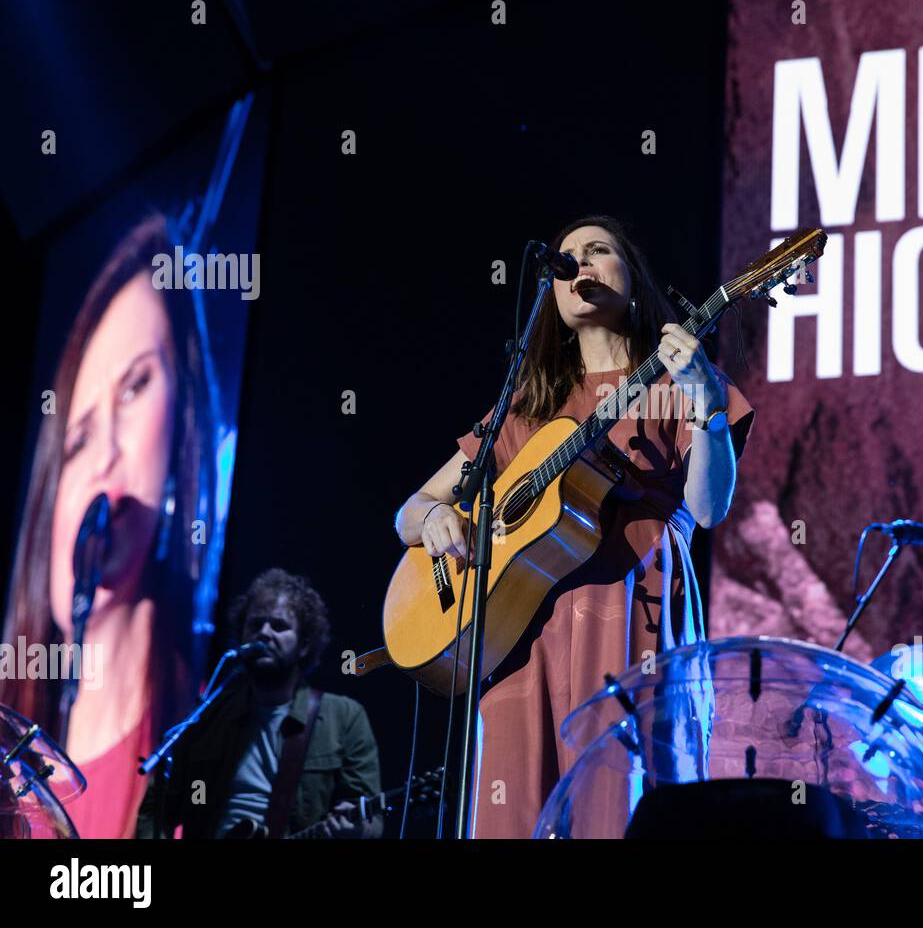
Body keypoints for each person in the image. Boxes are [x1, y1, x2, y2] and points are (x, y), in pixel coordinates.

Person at [394, 214, 755, 837]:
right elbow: (411, 509)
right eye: (566, 257)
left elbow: (708, 507)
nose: (579, 264)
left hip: (628, 614)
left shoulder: (680, 382)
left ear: (633, 281)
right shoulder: (526, 406)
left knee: (616, 807)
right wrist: (437, 521)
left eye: (598, 251)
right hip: (519, 632)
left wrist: (704, 401)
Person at [2, 213, 218, 838]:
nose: (105, 458)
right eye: (77, 440)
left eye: (135, 387)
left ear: (184, 424)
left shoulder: (219, 754)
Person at [136, 569, 383, 839]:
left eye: (279, 626)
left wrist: (359, 829)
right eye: (255, 625)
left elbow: (372, 821)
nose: (264, 633)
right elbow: (156, 809)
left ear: (304, 644)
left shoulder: (343, 718)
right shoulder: (207, 716)